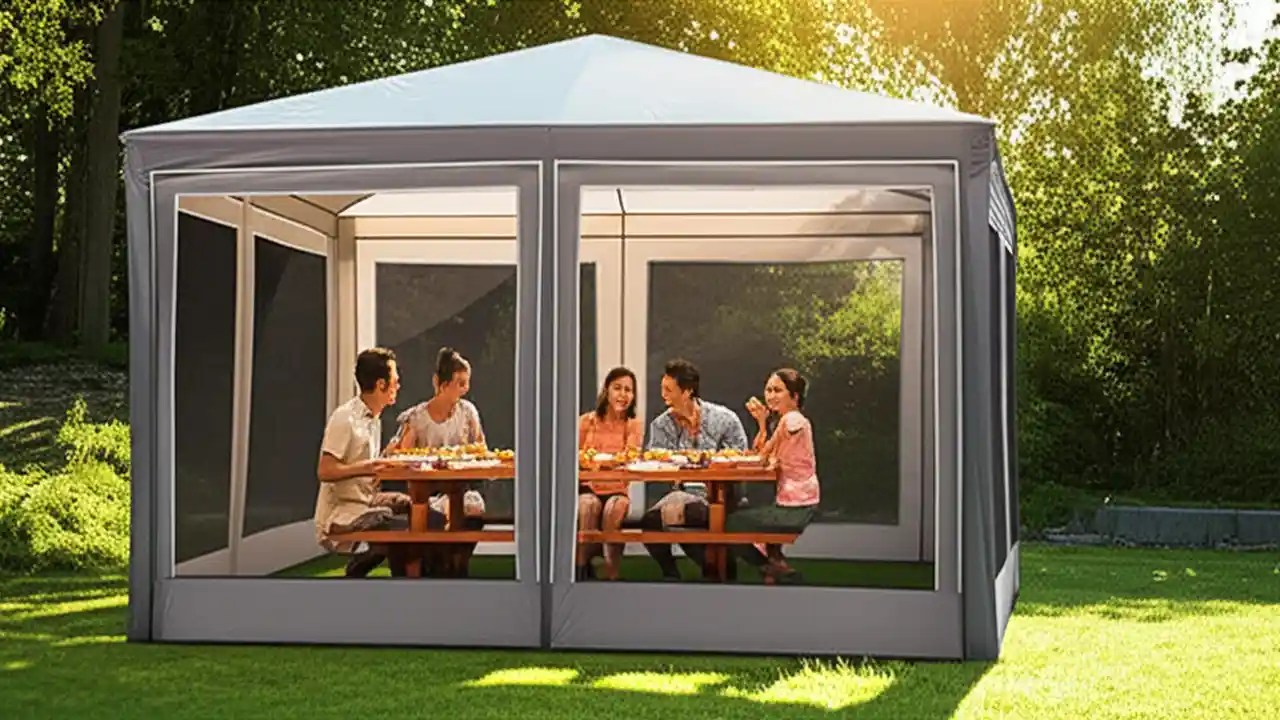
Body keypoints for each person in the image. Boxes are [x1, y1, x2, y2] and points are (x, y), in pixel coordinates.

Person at [642, 358, 748, 581]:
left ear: (687, 391)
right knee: (650, 522)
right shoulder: (661, 425)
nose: (663, 395)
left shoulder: (725, 419)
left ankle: (716, 570)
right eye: (662, 389)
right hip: (682, 493)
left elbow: (740, 457)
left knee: (693, 514)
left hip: (722, 495)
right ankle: (671, 575)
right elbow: (655, 461)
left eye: (668, 390)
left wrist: (711, 461)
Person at [387, 347, 487, 577]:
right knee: (427, 512)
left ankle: (456, 565)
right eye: (460, 383)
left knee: (472, 509)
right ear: (441, 384)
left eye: (467, 383)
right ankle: (424, 570)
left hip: (460, 487)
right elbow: (402, 455)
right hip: (426, 491)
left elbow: (481, 448)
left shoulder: (467, 413)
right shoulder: (417, 417)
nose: (465, 389)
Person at [313, 347, 412, 578]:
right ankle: (398, 582)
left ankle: (365, 566)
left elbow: (366, 466)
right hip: (343, 510)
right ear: (380, 384)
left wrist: (388, 456)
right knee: (401, 530)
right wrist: (367, 468)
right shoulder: (345, 418)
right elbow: (325, 470)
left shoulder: (373, 419)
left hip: (365, 499)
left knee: (415, 508)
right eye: (395, 381)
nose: (398, 386)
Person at [733, 368, 821, 584]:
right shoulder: (783, 420)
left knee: (729, 524)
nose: (771, 396)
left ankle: (773, 567)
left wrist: (779, 431)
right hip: (790, 500)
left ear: (795, 397)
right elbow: (761, 454)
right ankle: (775, 567)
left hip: (797, 504)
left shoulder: (792, 419)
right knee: (741, 518)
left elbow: (764, 454)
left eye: (777, 390)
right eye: (768, 390)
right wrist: (762, 423)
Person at [577, 367, 644, 581]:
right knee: (588, 505)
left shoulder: (633, 425)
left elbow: (630, 457)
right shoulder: (586, 421)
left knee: (613, 508)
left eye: (628, 390)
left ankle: (611, 573)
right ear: (606, 390)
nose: (623, 395)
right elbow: (575, 457)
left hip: (617, 489)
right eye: (617, 388)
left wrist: (597, 461)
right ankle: (580, 569)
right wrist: (610, 461)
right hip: (588, 487)